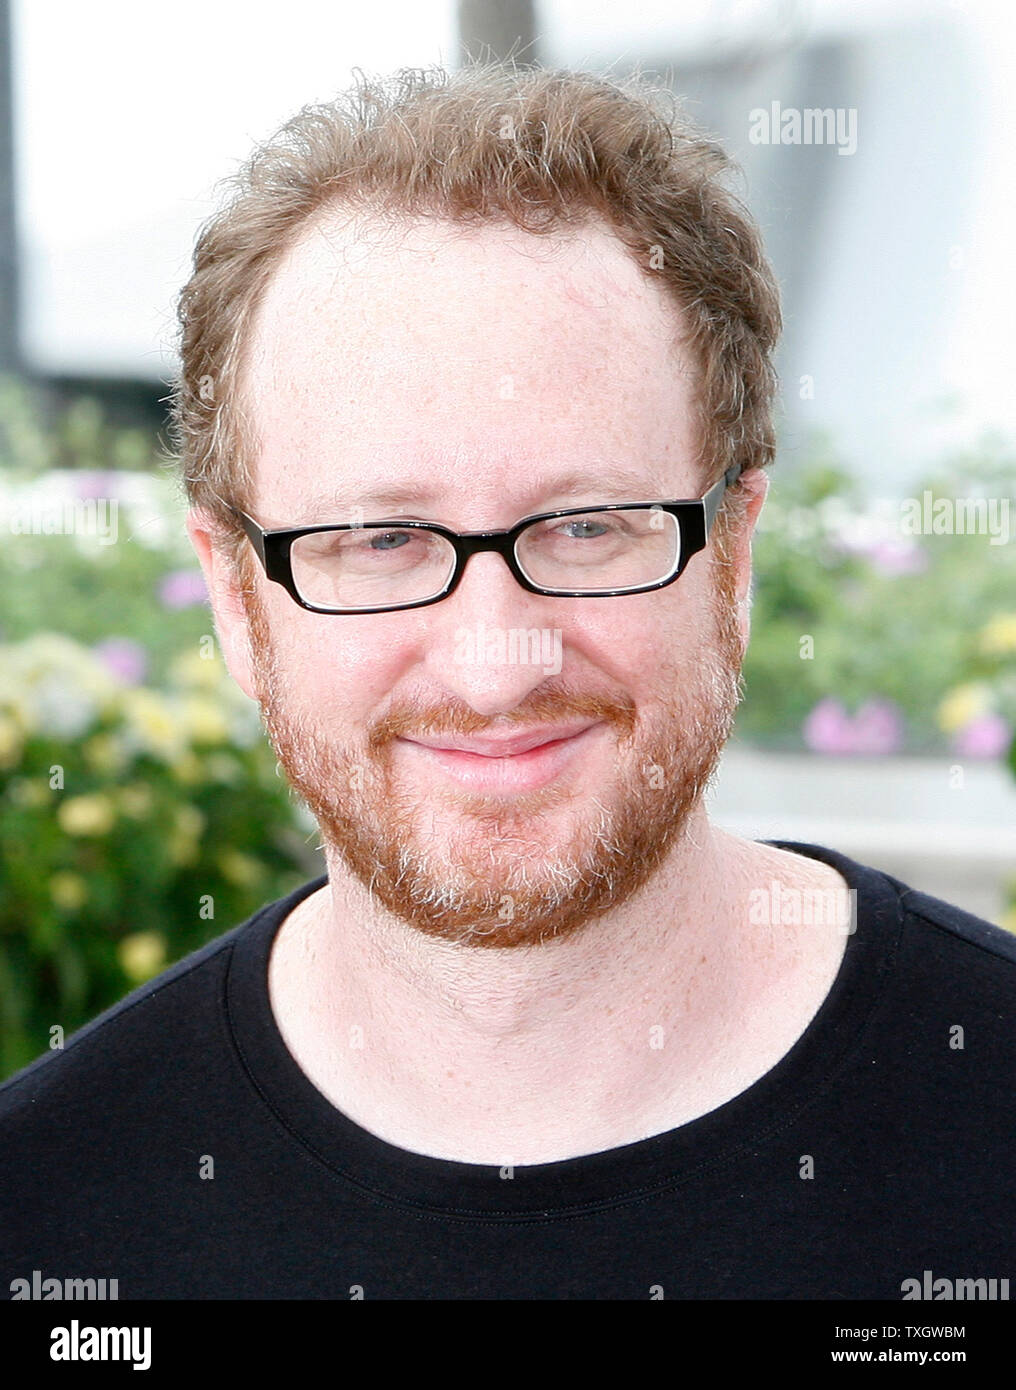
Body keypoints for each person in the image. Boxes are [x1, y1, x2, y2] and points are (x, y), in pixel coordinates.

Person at [2, 63, 1015, 1302]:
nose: (493, 663)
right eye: (379, 539)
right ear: (231, 591)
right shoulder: (43, 1217)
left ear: (732, 554)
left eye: (587, 526)